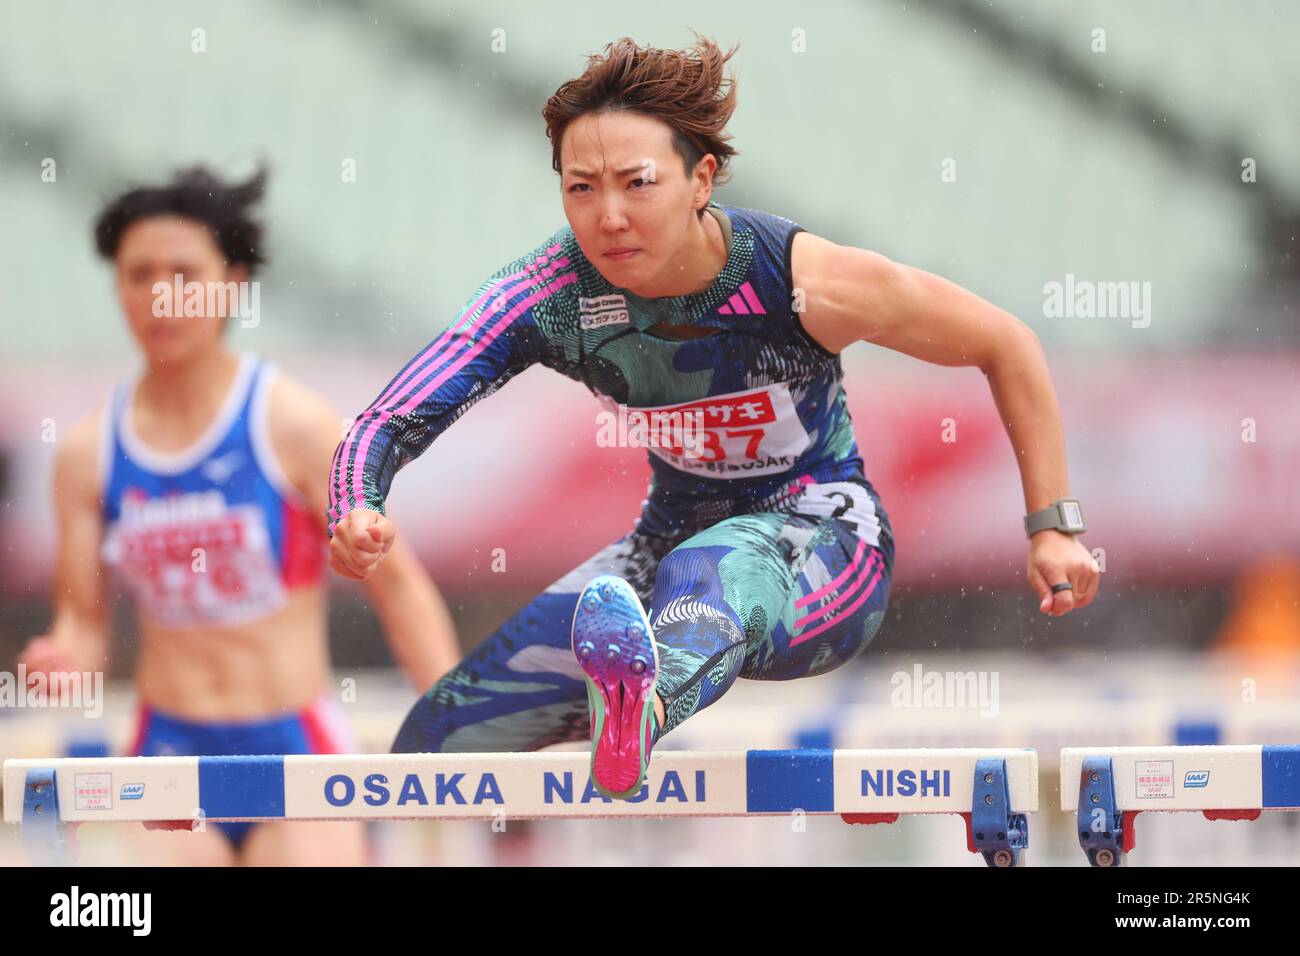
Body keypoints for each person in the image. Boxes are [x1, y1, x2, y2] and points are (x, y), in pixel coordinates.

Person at [326, 34, 1099, 800]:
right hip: (664, 547)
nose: (609, 217)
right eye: (581, 189)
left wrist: (1053, 525)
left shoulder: (806, 282)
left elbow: (1006, 343)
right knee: (437, 744)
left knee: (710, 572)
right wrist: (356, 504)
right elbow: (387, 419)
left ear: (701, 179)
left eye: (637, 184)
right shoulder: (549, 298)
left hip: (825, 546)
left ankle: (642, 708)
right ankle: (626, 698)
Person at [19, 166, 460, 863]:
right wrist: (63, 659)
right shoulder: (86, 455)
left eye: (184, 274)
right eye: (139, 275)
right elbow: (84, 622)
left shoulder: (293, 425)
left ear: (234, 281)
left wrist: (455, 726)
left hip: (293, 747)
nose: (161, 296)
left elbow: (399, 584)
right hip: (168, 756)